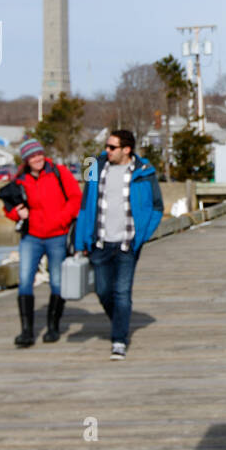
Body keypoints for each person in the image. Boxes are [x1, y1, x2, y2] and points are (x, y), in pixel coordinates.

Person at [74, 129, 163, 360]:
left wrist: (141, 235)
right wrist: (80, 240)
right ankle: (120, 322)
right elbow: (84, 205)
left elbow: (157, 206)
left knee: (122, 292)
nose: (107, 151)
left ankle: (119, 340)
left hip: (127, 243)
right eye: (106, 146)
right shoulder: (93, 165)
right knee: (103, 291)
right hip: (100, 242)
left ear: (127, 149)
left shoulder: (144, 171)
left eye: (112, 147)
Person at [3, 139, 82, 346]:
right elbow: (8, 205)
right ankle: (27, 332)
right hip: (31, 237)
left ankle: (53, 327)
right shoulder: (20, 179)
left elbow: (76, 199)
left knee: (56, 281)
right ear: (26, 160)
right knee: (25, 280)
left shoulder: (59, 172)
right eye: (32, 156)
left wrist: (60, 220)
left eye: (39, 154)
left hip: (57, 235)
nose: (37, 159)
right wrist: (16, 213)